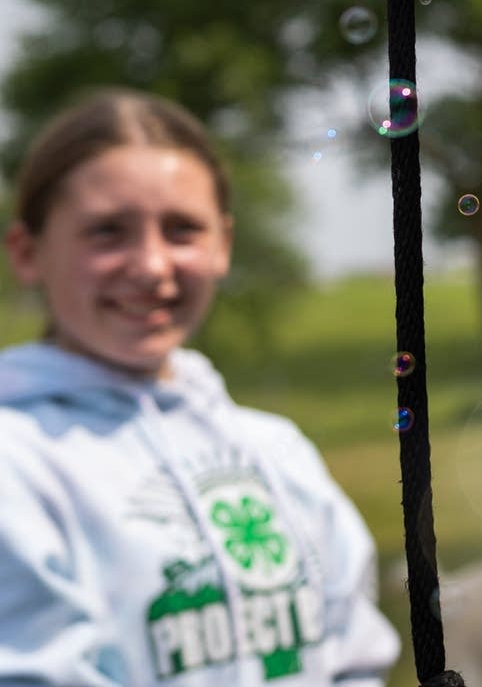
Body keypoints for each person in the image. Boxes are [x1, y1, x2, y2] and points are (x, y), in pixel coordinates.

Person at [0, 89, 402, 685]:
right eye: (108, 232)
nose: (152, 266)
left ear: (223, 246)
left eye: (182, 230)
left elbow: (351, 658)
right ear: (27, 253)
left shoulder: (277, 450)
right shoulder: (16, 459)